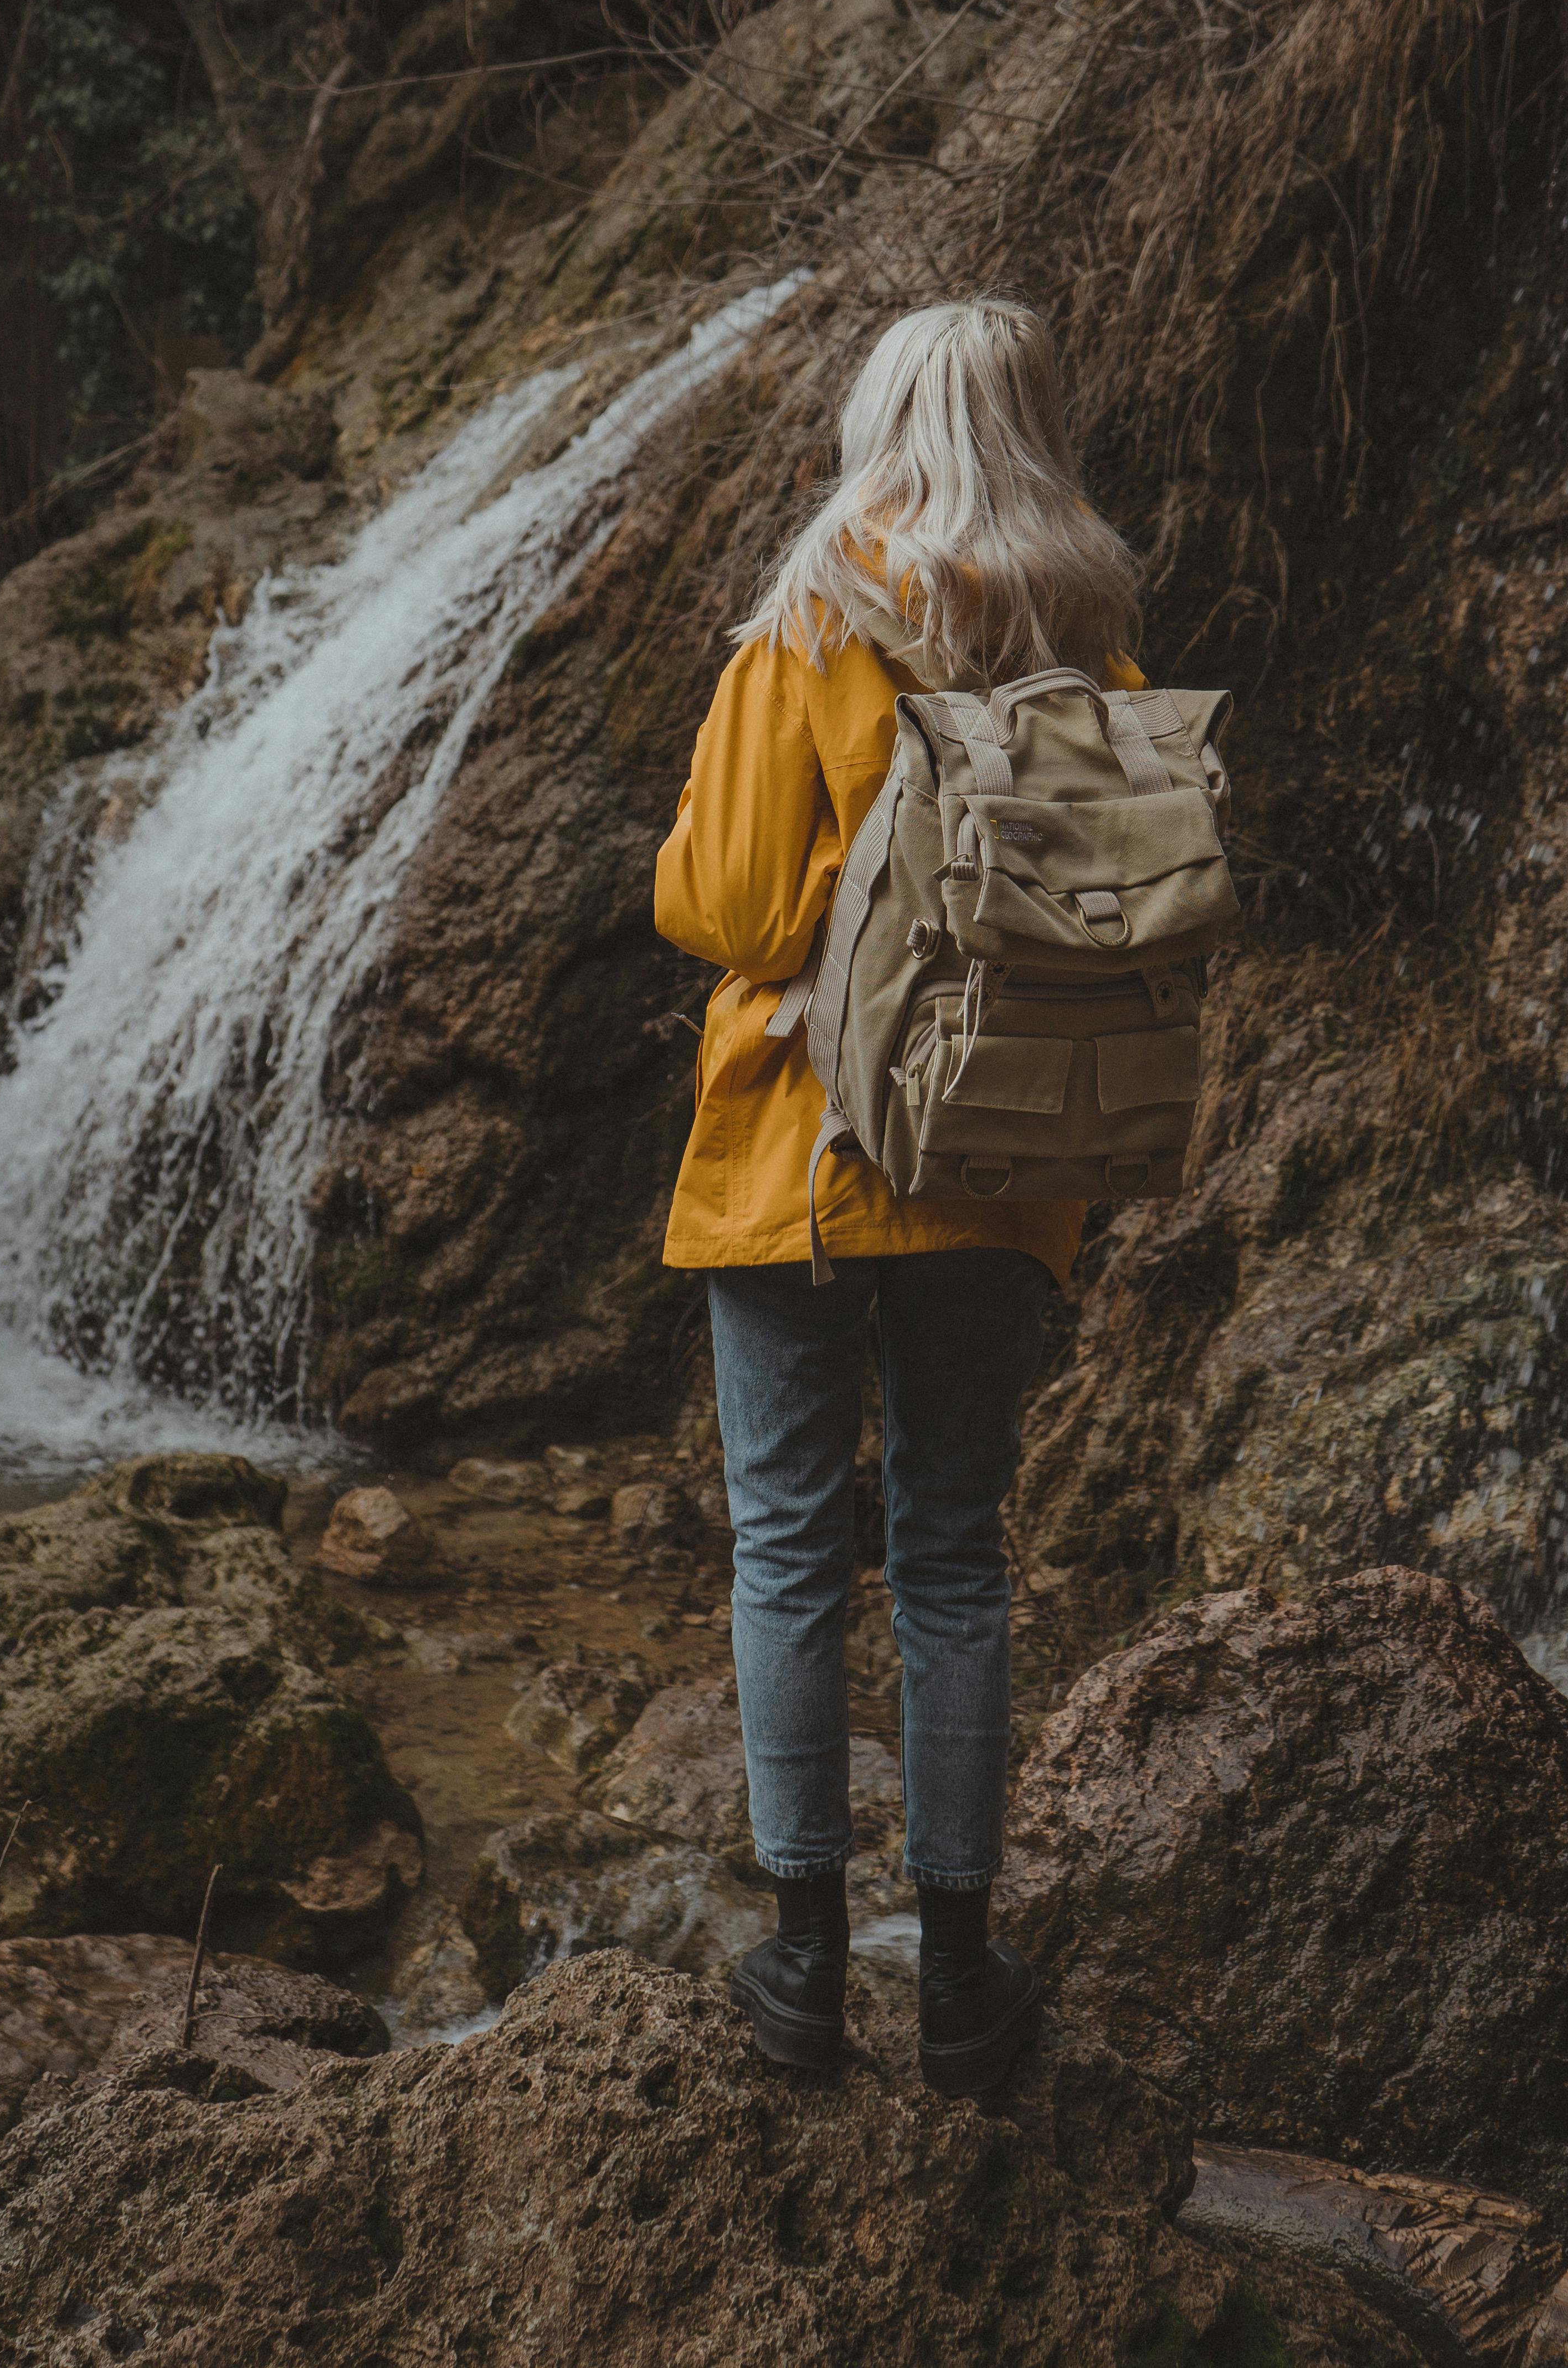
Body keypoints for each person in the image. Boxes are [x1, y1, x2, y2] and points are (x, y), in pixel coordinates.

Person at [653, 295, 1143, 2095]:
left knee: (789, 1545)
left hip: (806, 1152)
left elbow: (726, 905)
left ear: (881, 418)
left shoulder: (817, 614)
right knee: (954, 1554)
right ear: (1031, 420)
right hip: (1005, 1155)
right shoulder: (1095, 636)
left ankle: (797, 1970)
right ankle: (956, 1980)